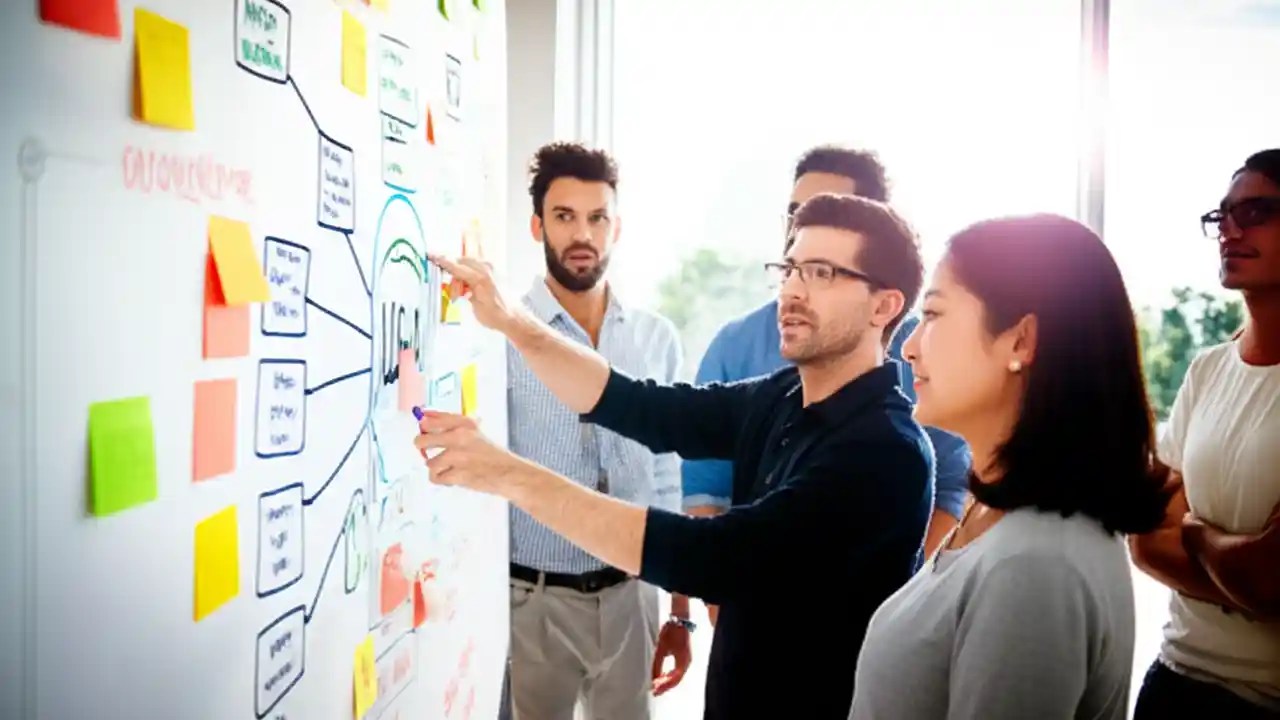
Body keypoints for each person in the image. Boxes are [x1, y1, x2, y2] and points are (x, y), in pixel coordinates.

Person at [418, 192, 935, 719]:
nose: (792, 291)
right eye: (791, 268)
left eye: (822, 273)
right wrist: (511, 320)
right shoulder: (784, 395)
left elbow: (709, 557)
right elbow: (638, 404)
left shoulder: (885, 452)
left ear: (884, 306)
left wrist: (508, 474)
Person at [849, 214, 1171, 719]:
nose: (908, 348)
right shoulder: (997, 516)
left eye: (932, 315)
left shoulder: (1035, 564)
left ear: (1020, 341)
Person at [683, 146, 970, 584]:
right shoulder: (736, 344)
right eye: (796, 213)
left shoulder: (921, 350)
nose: (805, 227)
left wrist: (901, 597)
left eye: (829, 215)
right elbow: (707, 488)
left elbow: (951, 485)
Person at [499, 141, 689, 720]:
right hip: (530, 602)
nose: (582, 234)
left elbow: (667, 476)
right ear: (537, 226)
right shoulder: (502, 337)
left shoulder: (656, 338)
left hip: (633, 596)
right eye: (564, 217)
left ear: (616, 227)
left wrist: (678, 610)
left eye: (596, 218)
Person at [1130, 149, 1280, 718]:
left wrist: (1194, 532)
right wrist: (1242, 577)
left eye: (1259, 211)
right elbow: (1147, 540)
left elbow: (1271, 579)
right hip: (1175, 679)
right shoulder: (1208, 369)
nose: (1232, 231)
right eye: (1223, 217)